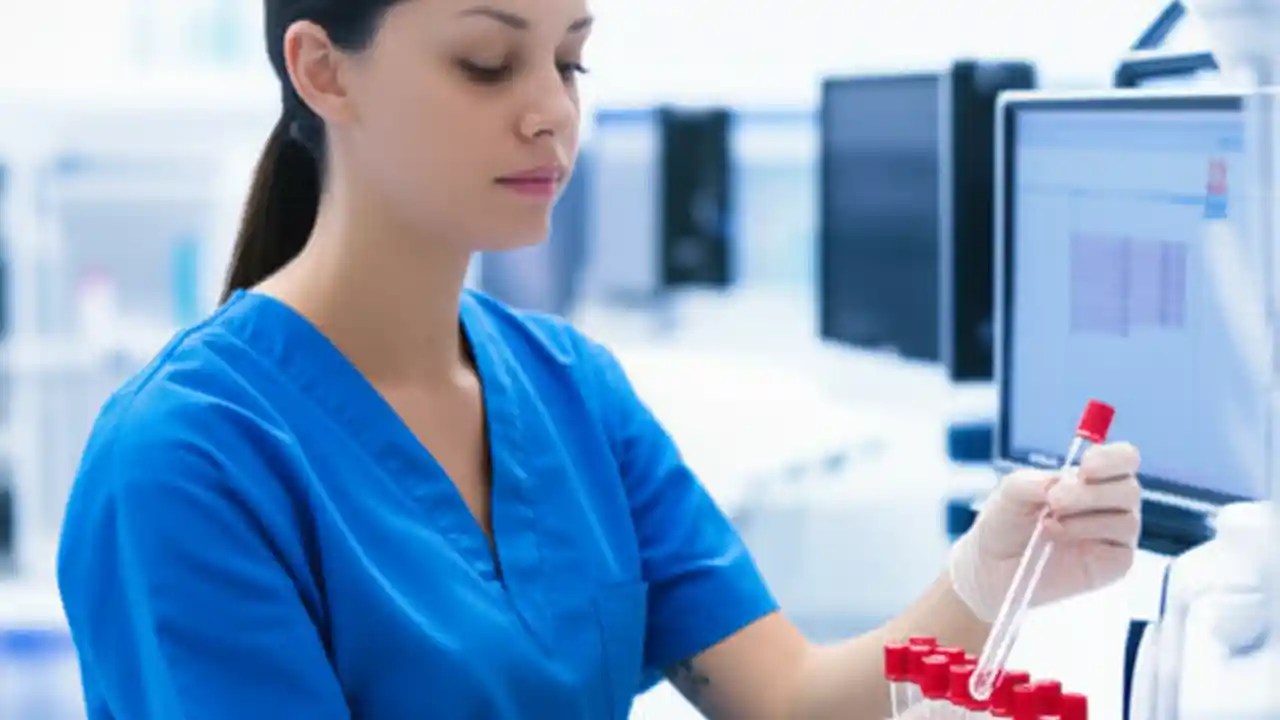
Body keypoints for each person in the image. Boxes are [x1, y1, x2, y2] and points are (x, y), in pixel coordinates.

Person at [54, 1, 1144, 718]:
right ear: (323, 70)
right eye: (487, 64)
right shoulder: (186, 462)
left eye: (569, 61)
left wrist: (983, 580)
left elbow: (788, 699)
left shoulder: (570, 391)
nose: (551, 113)